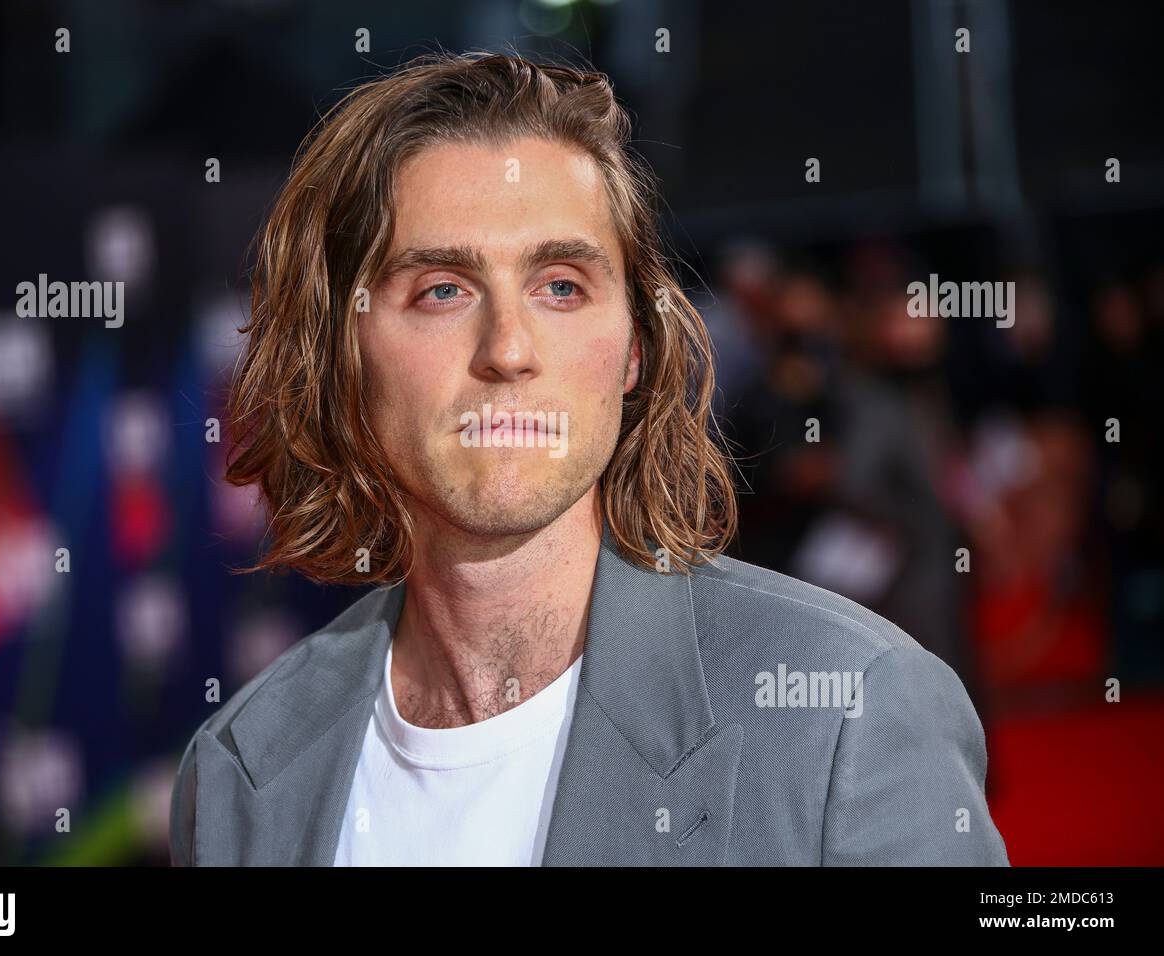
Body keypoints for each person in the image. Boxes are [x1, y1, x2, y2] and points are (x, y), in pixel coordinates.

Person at [169, 50, 1008, 866]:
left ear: (635, 348)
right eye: (441, 291)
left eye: (561, 286)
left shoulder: (849, 713)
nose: (507, 348)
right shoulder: (240, 771)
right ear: (341, 354)